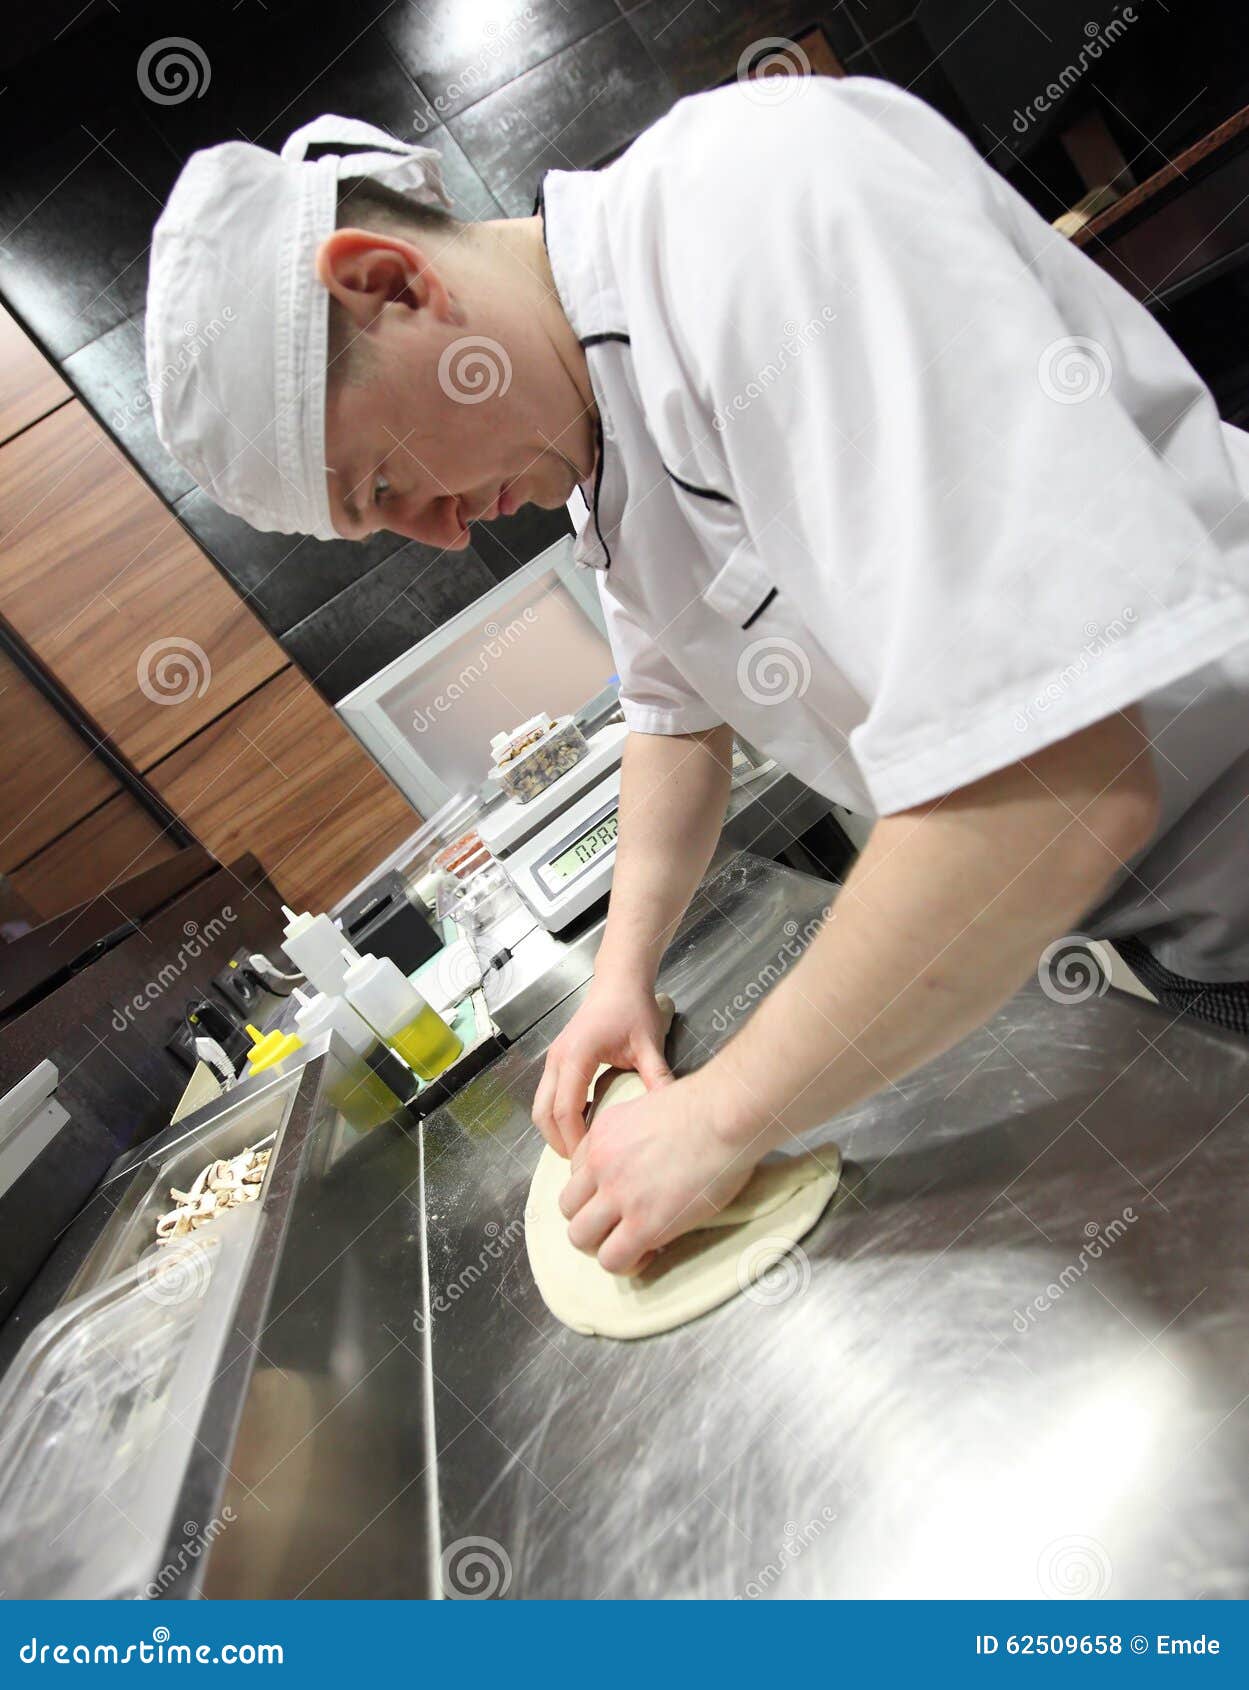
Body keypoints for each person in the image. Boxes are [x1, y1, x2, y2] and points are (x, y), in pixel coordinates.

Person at [147, 80, 1249, 1279]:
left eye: (383, 483)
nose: (444, 532)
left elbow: (1055, 781)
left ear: (390, 283)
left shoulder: (758, 211)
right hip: (1180, 935)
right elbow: (674, 716)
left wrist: (722, 1119)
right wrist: (620, 974)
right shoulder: (599, 443)